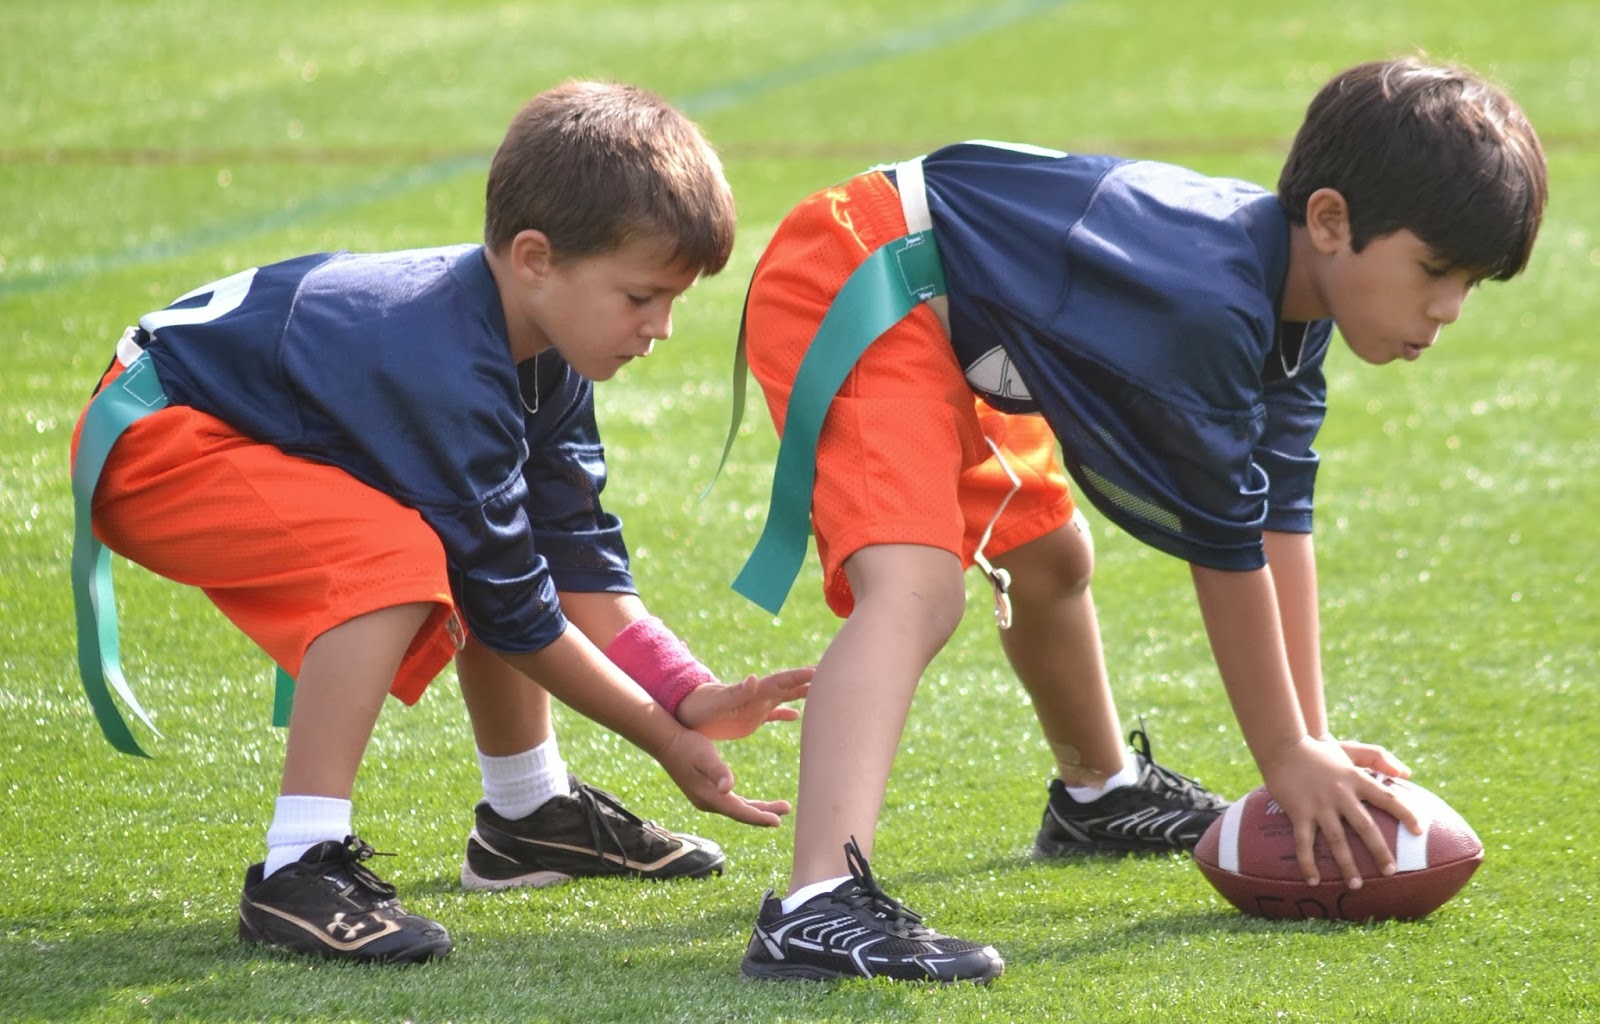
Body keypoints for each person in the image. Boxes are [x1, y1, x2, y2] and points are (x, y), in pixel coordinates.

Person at [728, 56, 1547, 982]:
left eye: (1471, 284)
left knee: (1048, 560)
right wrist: (1283, 754)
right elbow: (1228, 550)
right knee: (917, 592)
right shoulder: (1209, 303)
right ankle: (814, 904)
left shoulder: (1296, 303)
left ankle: (1098, 790)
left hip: (966, 312)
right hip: (868, 269)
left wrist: (1310, 738)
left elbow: (1283, 519)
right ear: (1329, 221)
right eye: (1435, 270)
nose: (1447, 310)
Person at [68, 79, 811, 965]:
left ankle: (528, 814)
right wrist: (664, 737)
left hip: (218, 417)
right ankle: (296, 866)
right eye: (641, 296)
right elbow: (516, 610)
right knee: (395, 555)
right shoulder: (444, 358)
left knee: (486, 541)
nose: (662, 329)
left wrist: (687, 689)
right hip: (156, 436)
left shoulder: (546, 353)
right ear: (535, 258)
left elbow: (571, 555)